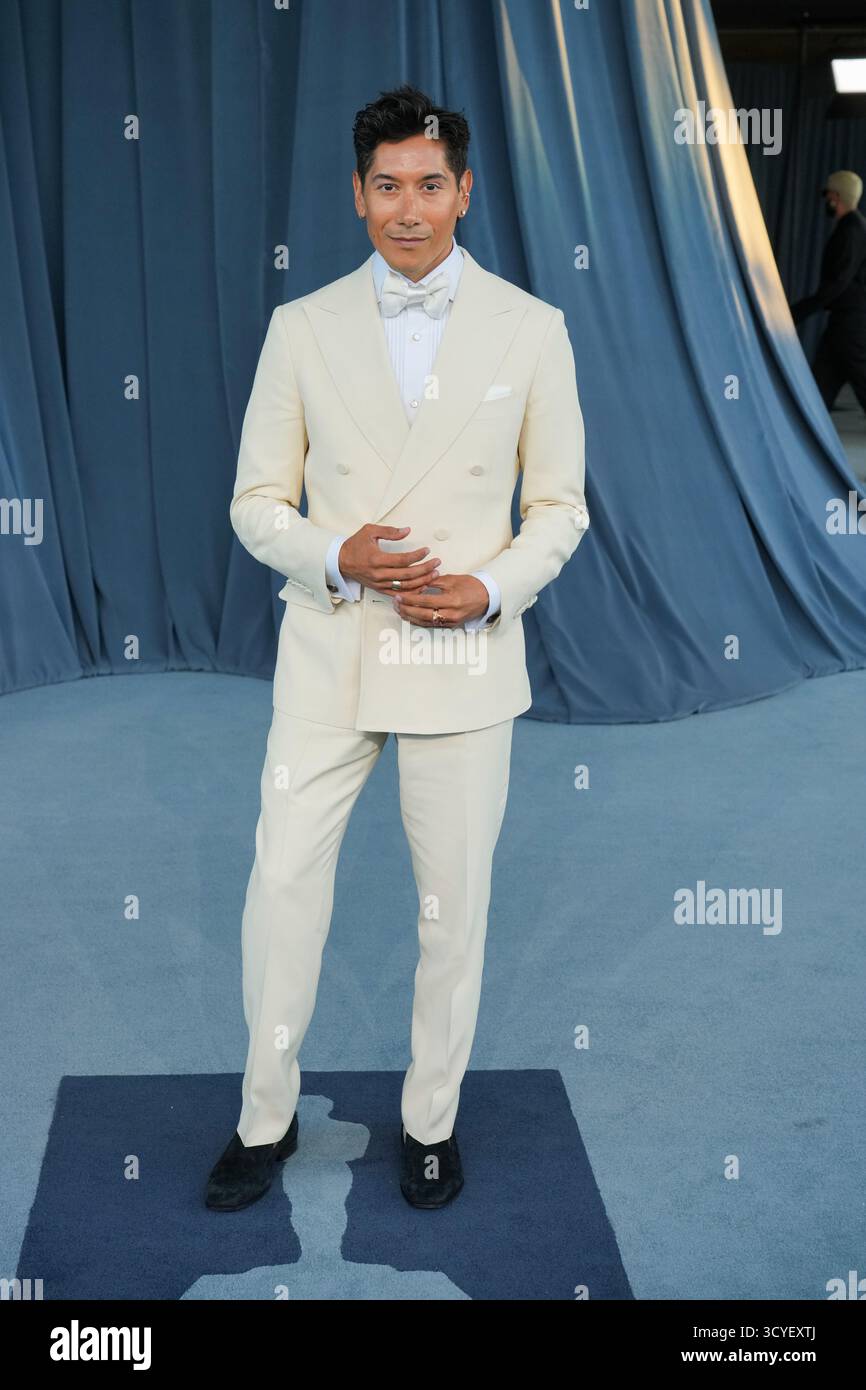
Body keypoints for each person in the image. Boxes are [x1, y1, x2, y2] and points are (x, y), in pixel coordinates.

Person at [205, 83, 590, 1213]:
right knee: (280, 891)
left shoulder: (533, 331)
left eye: (430, 185)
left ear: (463, 191)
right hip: (328, 656)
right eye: (387, 186)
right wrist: (336, 557)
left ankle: (430, 1124)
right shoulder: (301, 327)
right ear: (358, 195)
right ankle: (262, 1121)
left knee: (450, 908)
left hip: (463, 661)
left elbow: (559, 508)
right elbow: (254, 504)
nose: (408, 208)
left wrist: (485, 589)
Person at [790, 169, 866, 412]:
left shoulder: (851, 231)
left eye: (829, 195)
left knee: (854, 373)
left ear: (837, 196)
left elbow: (839, 281)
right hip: (844, 322)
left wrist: (798, 312)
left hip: (851, 323)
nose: (826, 201)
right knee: (820, 388)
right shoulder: (852, 228)